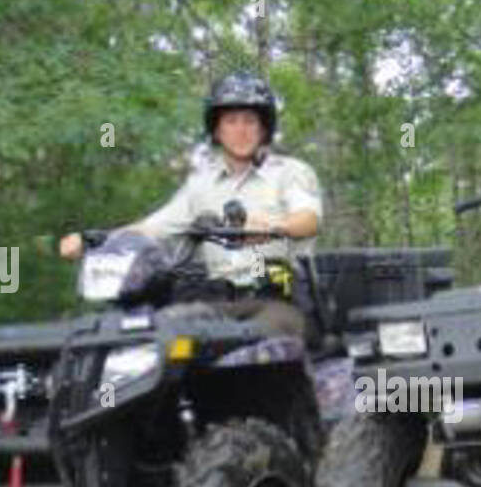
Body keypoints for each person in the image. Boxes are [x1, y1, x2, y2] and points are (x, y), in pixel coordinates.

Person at [60, 71, 323, 338]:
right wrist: (96, 241)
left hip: (281, 302)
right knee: (158, 329)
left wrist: (275, 226)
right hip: (220, 303)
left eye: (249, 121)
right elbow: (153, 228)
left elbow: (308, 219)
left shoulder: (290, 172)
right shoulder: (201, 185)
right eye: (231, 121)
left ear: (263, 128)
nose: (240, 130)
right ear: (217, 130)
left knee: (256, 339)